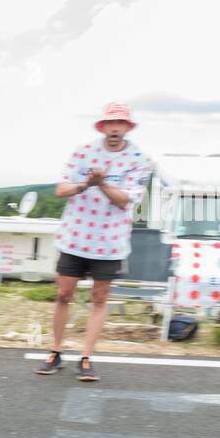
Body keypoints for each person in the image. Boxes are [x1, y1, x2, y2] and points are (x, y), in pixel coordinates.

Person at [35, 102, 152, 382]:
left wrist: (101, 184)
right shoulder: (83, 153)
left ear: (127, 127)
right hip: (75, 237)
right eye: (110, 123)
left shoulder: (139, 159)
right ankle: (55, 350)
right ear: (102, 126)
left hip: (110, 242)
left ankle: (86, 357)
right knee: (63, 295)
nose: (115, 128)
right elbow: (61, 189)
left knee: (99, 299)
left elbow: (126, 200)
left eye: (120, 123)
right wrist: (87, 184)